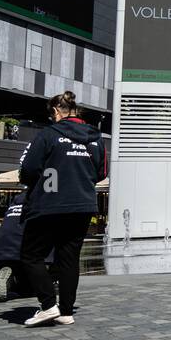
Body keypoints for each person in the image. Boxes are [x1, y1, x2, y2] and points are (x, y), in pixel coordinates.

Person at [18, 91, 108, 327]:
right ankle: (66, 311)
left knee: (30, 255)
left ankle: (48, 305)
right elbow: (101, 173)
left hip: (49, 204)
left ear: (57, 112)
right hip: (82, 204)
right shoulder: (96, 139)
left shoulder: (49, 135)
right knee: (69, 258)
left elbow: (28, 169)